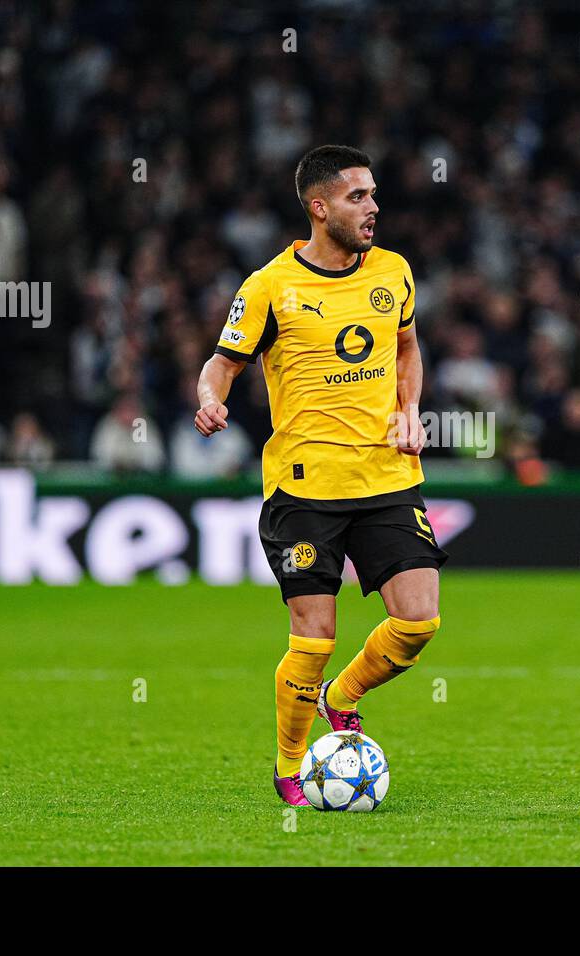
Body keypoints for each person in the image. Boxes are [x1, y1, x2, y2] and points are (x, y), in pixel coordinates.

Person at [193, 145, 446, 806]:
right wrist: (210, 399)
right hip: (305, 490)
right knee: (314, 638)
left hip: (388, 476)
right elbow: (222, 363)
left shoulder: (394, 271)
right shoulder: (270, 287)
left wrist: (409, 410)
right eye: (358, 197)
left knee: (418, 623)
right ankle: (288, 766)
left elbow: (409, 347)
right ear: (320, 206)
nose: (374, 208)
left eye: (374, 195)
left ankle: (345, 694)